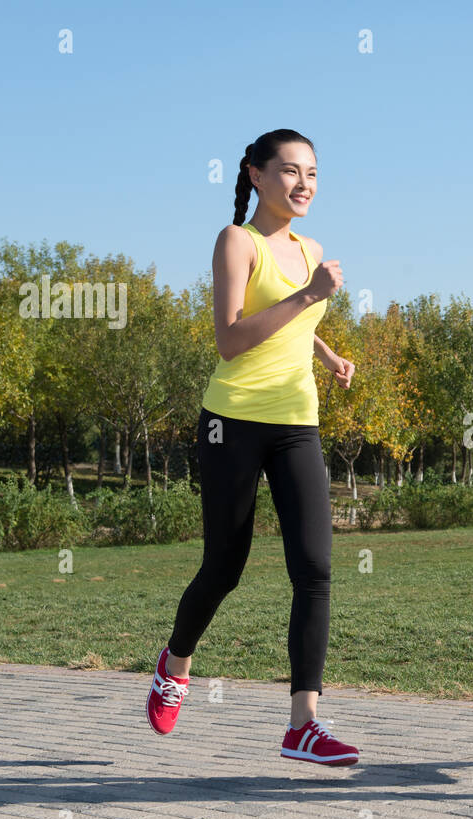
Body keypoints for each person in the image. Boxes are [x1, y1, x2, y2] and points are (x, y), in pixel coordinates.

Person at [145, 128, 358, 766]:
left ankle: (303, 726)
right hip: (231, 422)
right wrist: (310, 295)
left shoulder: (309, 248)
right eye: (290, 171)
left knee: (315, 569)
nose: (304, 185)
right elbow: (232, 339)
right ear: (256, 175)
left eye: (313, 174)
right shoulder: (236, 242)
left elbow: (296, 322)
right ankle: (175, 662)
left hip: (297, 421)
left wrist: (326, 350)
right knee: (225, 565)